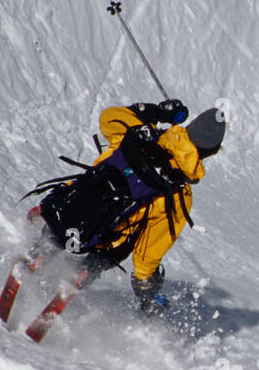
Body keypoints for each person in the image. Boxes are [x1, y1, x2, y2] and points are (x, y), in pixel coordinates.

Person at [30, 100, 224, 314]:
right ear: (211, 153)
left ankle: (42, 250)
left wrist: (156, 112)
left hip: (69, 205)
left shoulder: (138, 134)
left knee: (69, 214)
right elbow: (148, 252)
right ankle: (86, 270)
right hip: (107, 237)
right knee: (121, 242)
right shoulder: (179, 193)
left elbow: (109, 117)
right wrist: (146, 291)